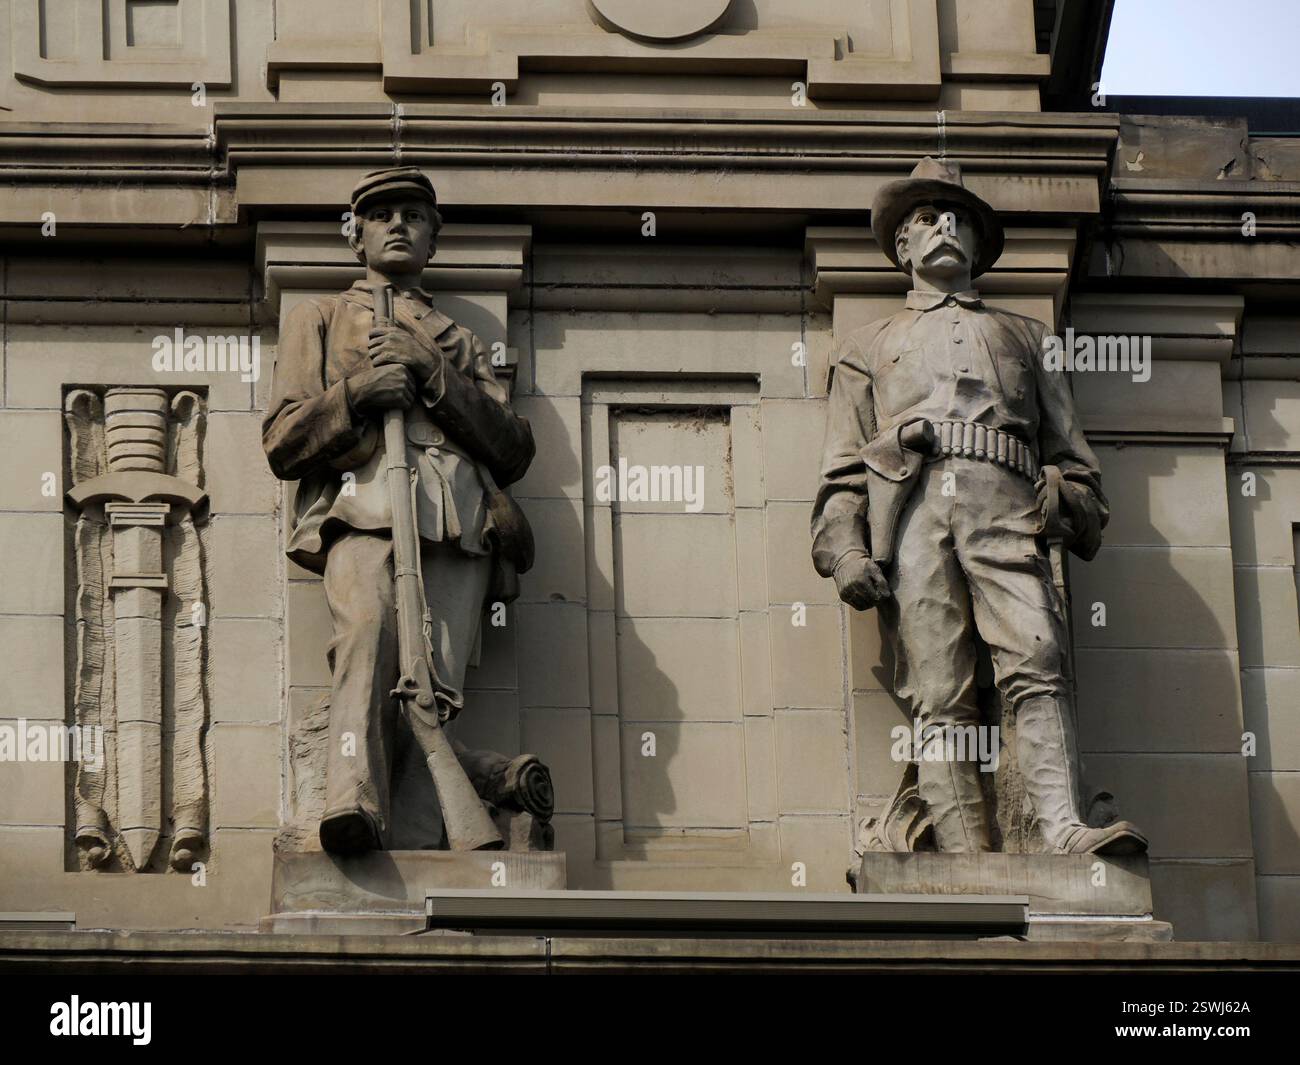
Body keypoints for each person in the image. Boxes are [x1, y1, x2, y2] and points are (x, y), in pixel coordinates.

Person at [812, 157, 1146, 855]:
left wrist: (1063, 500)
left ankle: (1060, 827)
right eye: (927, 218)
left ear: (978, 246)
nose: (945, 226)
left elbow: (1083, 473)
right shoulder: (865, 346)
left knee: (1039, 653)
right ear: (902, 245)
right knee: (938, 684)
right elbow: (842, 474)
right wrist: (844, 550)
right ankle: (964, 860)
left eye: (958, 217)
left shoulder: (1027, 336)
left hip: (1008, 503)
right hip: (911, 511)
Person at [263, 166, 534, 853]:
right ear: (357, 237)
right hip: (363, 509)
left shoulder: (460, 341)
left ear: (433, 239)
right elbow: (282, 438)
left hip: (455, 524)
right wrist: (355, 394)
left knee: (433, 688)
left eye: (413, 214)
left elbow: (511, 447)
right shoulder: (319, 317)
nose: (397, 224)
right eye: (380, 214)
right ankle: (349, 798)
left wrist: (432, 374)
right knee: (369, 634)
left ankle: (416, 841)